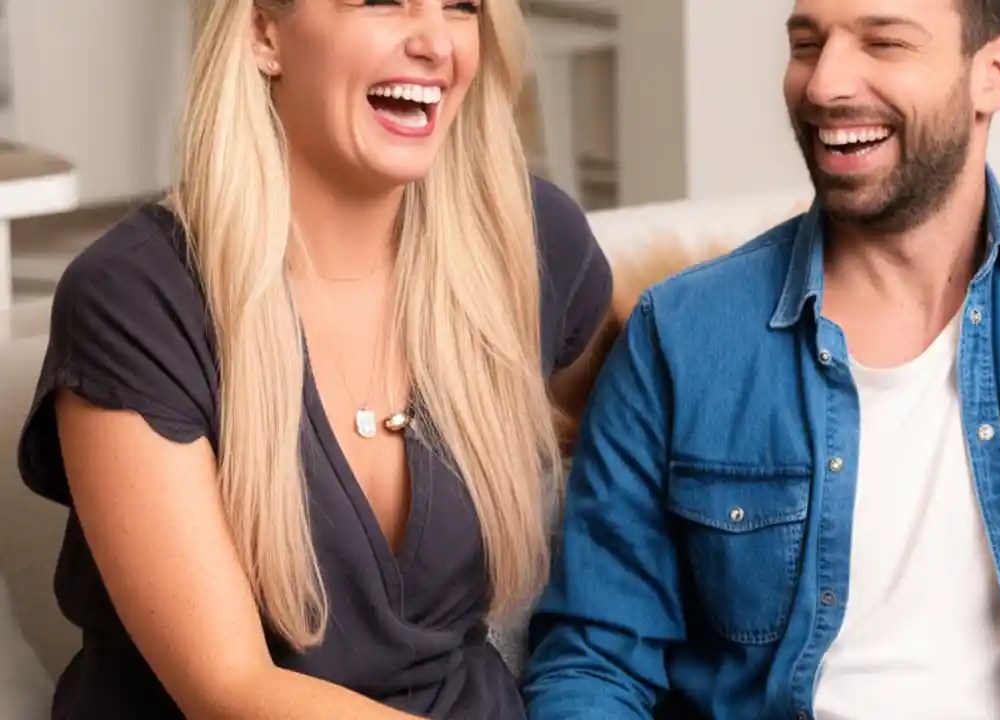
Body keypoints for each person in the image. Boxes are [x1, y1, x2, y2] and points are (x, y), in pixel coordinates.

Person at [521, 0, 1000, 718]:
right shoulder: (680, 334)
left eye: (883, 41)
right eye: (807, 43)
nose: (825, 84)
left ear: (997, 73)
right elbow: (593, 660)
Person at [17, 0, 611, 717]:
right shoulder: (135, 300)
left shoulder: (529, 244)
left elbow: (647, 431)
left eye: (462, 6)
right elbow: (229, 691)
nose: (434, 42)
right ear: (265, 32)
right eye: (384, 2)